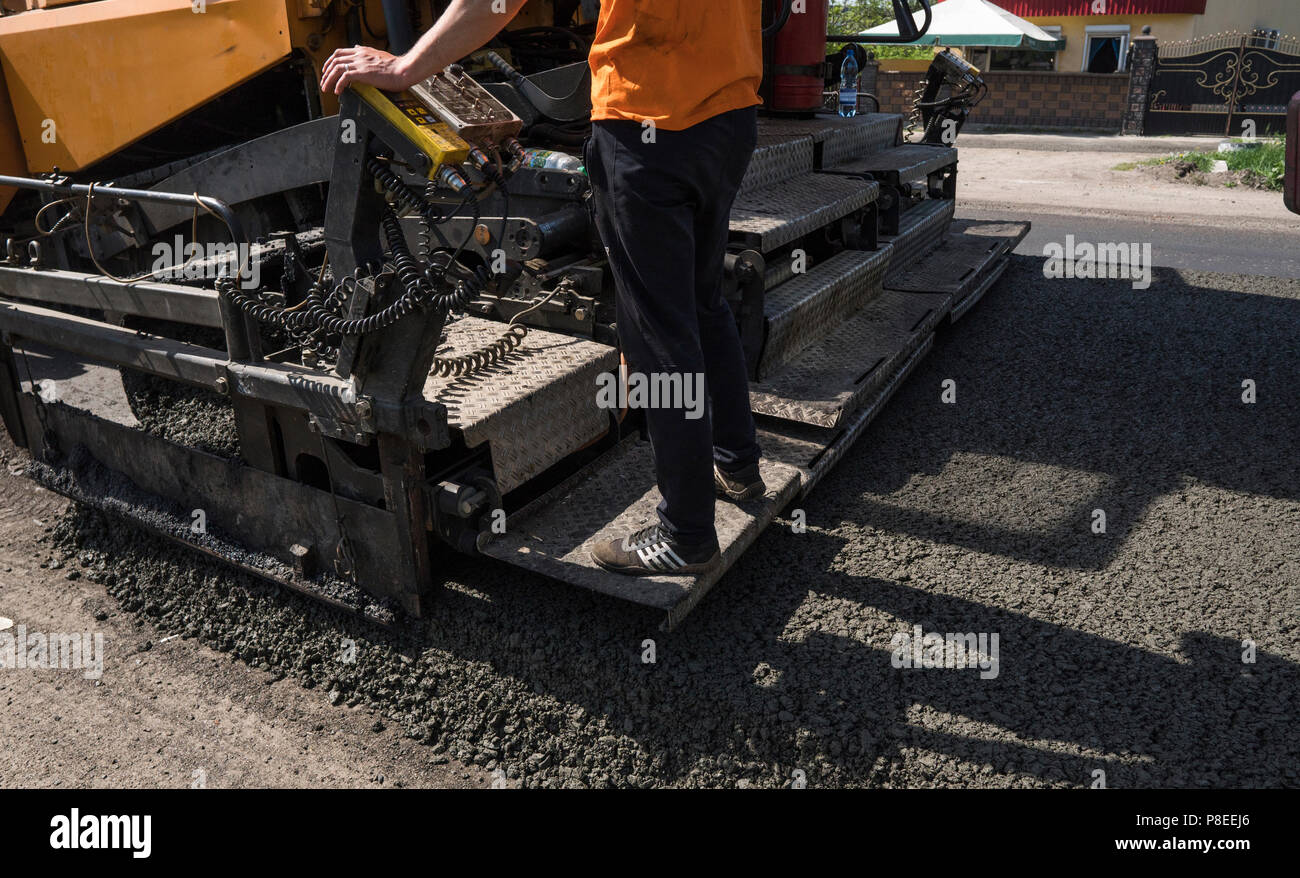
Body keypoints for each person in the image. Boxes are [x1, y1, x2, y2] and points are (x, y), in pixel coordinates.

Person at [321, 0, 765, 577]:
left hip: (648, 120)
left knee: (658, 334)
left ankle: (686, 532)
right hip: (729, 116)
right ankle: (737, 465)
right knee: (703, 305)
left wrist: (408, 67)